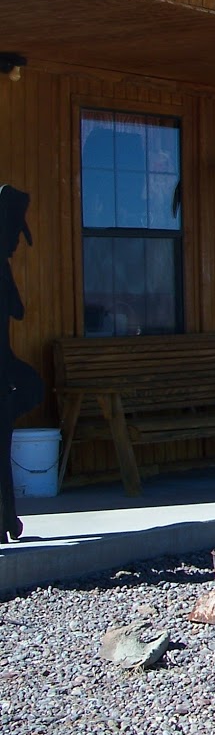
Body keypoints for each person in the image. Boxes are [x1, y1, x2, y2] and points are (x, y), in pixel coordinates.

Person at [1, 185, 44, 542]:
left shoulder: (3, 267)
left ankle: (8, 519)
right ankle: (8, 519)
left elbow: (17, 310)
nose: (17, 242)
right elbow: (16, 309)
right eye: (15, 232)